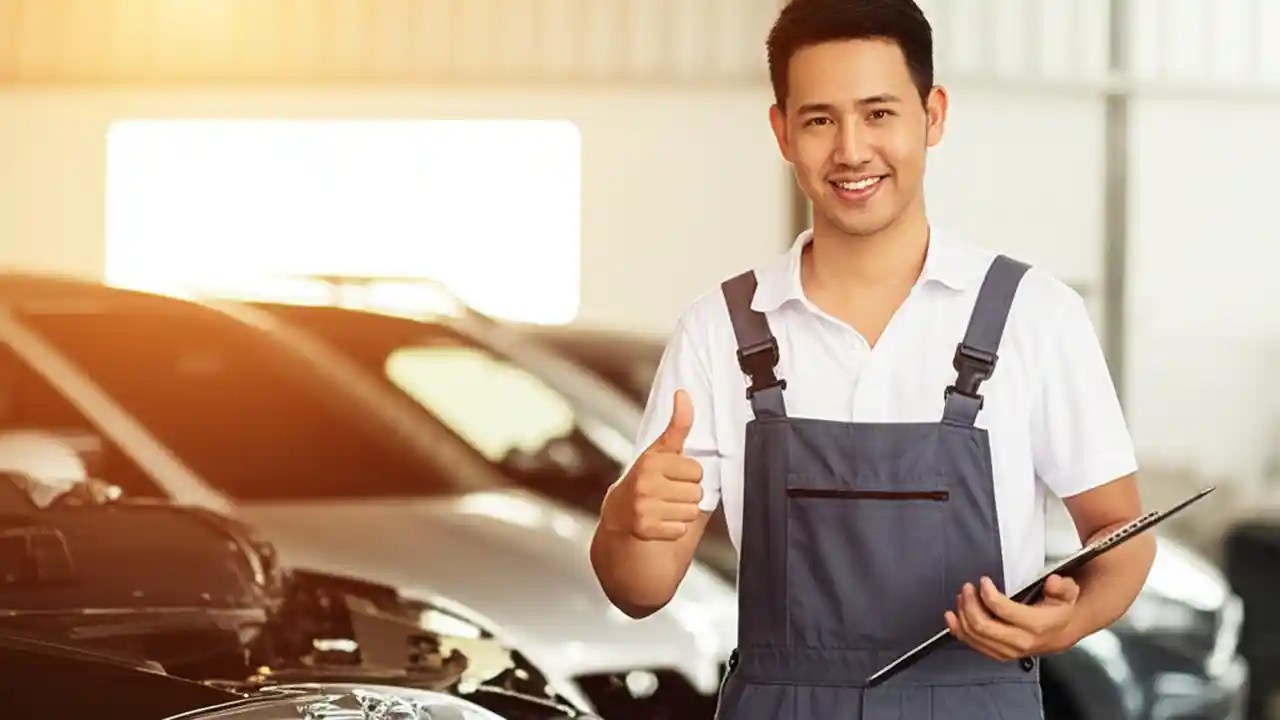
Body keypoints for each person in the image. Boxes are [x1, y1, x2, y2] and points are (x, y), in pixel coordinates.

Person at [588, 0, 1156, 717]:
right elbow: (639, 591)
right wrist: (624, 519)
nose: (852, 150)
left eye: (879, 113)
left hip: (974, 700)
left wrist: (1067, 622)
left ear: (933, 115)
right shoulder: (721, 332)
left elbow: (1121, 532)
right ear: (782, 132)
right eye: (820, 119)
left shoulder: (1034, 315)